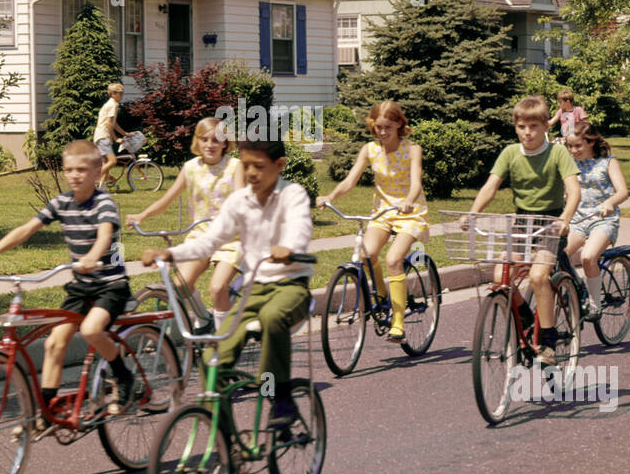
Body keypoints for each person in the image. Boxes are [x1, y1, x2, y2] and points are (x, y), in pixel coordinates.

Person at [141, 138, 312, 431]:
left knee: (272, 319)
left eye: (259, 166)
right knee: (211, 358)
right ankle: (225, 436)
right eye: (246, 166)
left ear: (279, 165)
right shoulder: (239, 201)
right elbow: (210, 240)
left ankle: (279, 397)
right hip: (255, 289)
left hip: (290, 286)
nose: (251, 173)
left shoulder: (292, 194)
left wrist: (287, 246)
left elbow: (300, 227)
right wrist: (170, 253)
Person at [0, 139, 135, 424]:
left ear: (97, 171)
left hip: (110, 285)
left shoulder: (104, 203)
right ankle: (47, 411)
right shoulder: (61, 202)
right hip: (81, 286)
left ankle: (124, 377)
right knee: (54, 343)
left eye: (82, 170)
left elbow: (105, 236)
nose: (75, 175)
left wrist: (93, 257)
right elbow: (28, 229)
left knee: (91, 330)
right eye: (69, 169)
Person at [463, 95, 580, 366]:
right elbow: (491, 186)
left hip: (551, 223)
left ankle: (548, 342)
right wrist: (473, 211)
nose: (527, 133)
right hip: (522, 221)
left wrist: (565, 217)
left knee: (539, 276)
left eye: (534, 127)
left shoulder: (557, 153)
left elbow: (574, 190)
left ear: (544, 126)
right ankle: (526, 320)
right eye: (521, 127)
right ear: (515, 127)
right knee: (501, 275)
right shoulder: (510, 153)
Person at [317, 99, 428, 341]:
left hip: (410, 212)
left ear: (399, 124)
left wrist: (409, 200)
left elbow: (416, 183)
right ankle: (381, 295)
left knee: (393, 259)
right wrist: (330, 196)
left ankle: (398, 322)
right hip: (382, 212)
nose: (383, 132)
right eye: (378, 126)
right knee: (366, 254)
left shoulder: (412, 149)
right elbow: (350, 181)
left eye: (388, 126)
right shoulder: (370, 149)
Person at [127, 117, 244, 328]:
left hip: (230, 238)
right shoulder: (190, 168)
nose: (210, 145)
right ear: (197, 141)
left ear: (225, 143)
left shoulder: (235, 166)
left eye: (216, 140)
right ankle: (203, 319)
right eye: (204, 139)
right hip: (200, 237)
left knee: (217, 288)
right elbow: (167, 199)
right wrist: (141, 216)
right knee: (181, 284)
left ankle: (225, 341)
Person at [563, 120, 629, 321]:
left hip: (603, 220)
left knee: (588, 257)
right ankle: (578, 287)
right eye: (569, 146)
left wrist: (610, 202)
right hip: (577, 220)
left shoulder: (608, 161)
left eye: (577, 146)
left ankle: (595, 304)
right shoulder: (569, 164)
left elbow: (623, 192)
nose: (573, 150)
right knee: (558, 256)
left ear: (590, 142)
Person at [92, 81, 126, 185]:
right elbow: (109, 124)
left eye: (122, 93)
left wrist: (125, 133)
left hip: (100, 135)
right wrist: (115, 138)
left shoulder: (111, 104)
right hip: (103, 136)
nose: (121, 95)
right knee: (112, 161)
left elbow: (114, 124)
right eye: (119, 93)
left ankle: (101, 187)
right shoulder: (113, 105)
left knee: (105, 163)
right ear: (112, 93)